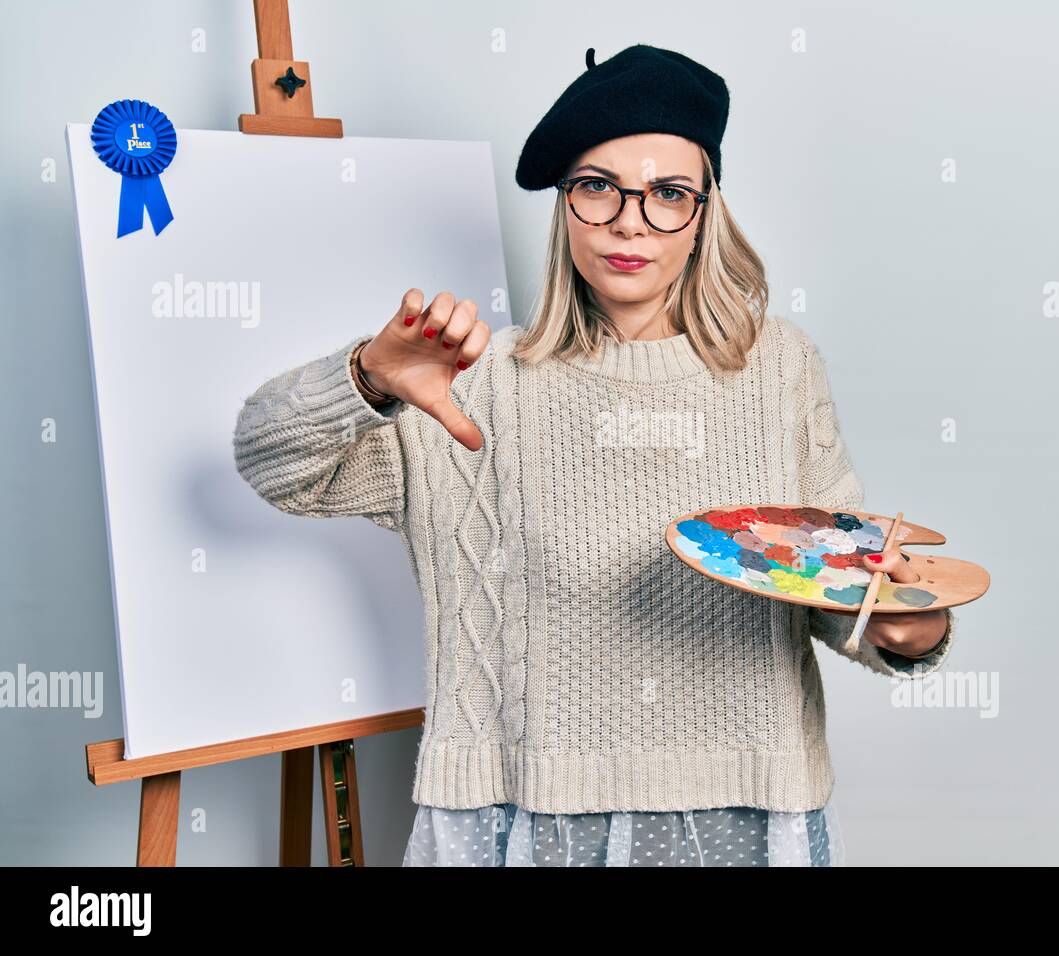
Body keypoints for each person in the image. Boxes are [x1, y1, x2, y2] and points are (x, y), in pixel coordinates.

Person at [232, 43, 956, 867]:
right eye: (598, 187)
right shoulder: (473, 380)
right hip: (522, 814)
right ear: (566, 204)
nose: (629, 221)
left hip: (745, 807)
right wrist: (367, 376)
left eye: (668, 195)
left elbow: (830, 575)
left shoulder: (780, 366)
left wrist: (904, 628)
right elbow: (270, 462)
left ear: (706, 210)